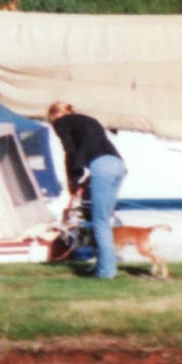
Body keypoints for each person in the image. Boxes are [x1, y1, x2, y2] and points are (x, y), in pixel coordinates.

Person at [48, 101, 127, 279]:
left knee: (100, 222)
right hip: (118, 165)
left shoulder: (61, 122)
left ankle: (106, 272)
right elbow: (91, 144)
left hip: (101, 167)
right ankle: (102, 265)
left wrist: (73, 179)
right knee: (105, 219)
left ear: (54, 115)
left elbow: (70, 151)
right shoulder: (88, 120)